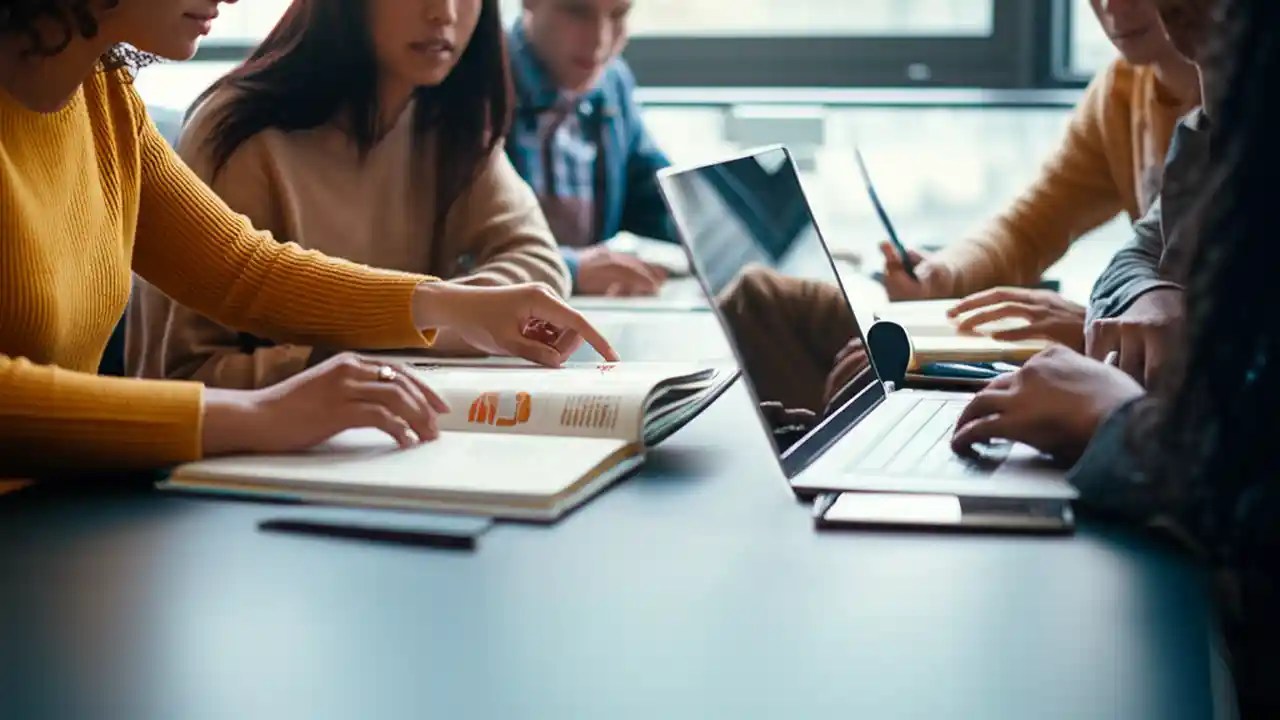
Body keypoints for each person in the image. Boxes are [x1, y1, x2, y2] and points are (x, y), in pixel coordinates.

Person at [0, 0, 616, 479]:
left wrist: (446, 305)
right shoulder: (225, 125)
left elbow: (242, 268)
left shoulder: (104, 97)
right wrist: (261, 413)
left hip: (59, 508)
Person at [952, 0, 1279, 713]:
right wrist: (1150, 291)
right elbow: (1135, 253)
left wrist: (1117, 419)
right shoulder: (1215, 125)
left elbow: (1253, 499)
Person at [126, 0, 570, 390]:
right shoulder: (241, 135)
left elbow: (538, 262)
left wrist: (446, 319)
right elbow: (181, 373)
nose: (444, 13)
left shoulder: (448, 119)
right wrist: (434, 324)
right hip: (262, 448)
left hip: (397, 425)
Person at [881, 0, 1200, 352]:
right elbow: (1031, 228)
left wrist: (1094, 324)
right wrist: (944, 276)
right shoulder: (1120, 90)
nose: (1112, 6)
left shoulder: (1237, 106)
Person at [507, 0, 675, 297]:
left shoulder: (612, 82)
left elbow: (658, 202)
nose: (600, 40)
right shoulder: (479, 83)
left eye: (618, 15)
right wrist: (572, 270)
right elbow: (462, 252)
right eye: (577, 11)